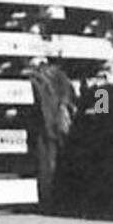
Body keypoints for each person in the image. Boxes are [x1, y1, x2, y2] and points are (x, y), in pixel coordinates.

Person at [26, 57, 76, 209]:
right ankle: (54, 199)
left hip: (48, 125)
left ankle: (49, 200)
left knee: (47, 163)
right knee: (51, 162)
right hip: (57, 125)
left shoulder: (43, 79)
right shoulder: (60, 78)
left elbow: (101, 108)